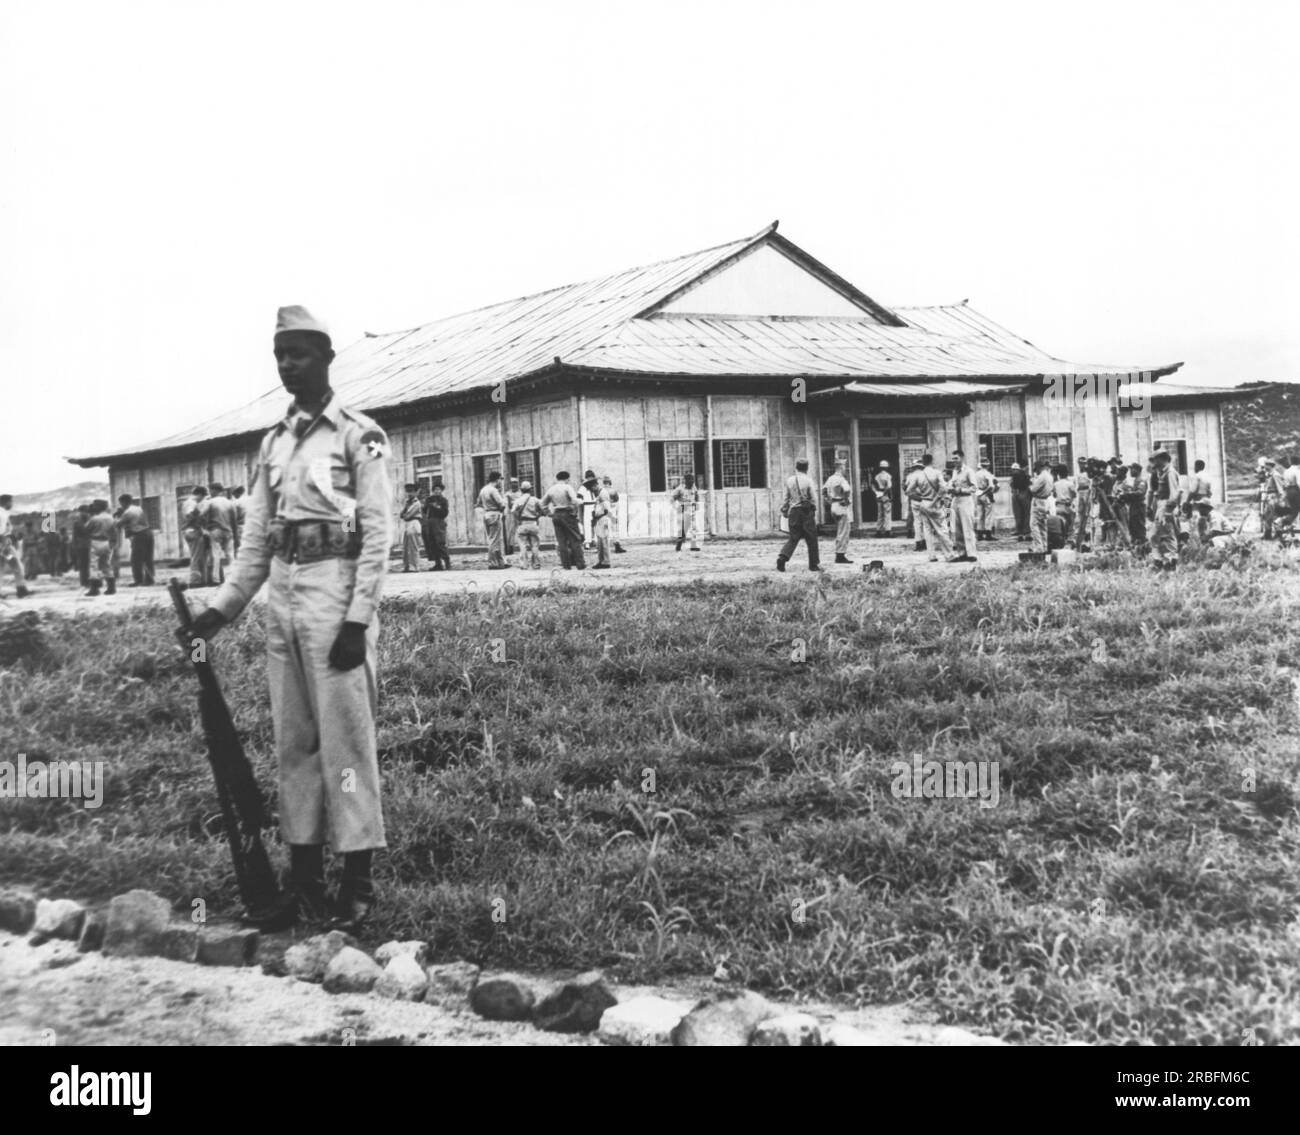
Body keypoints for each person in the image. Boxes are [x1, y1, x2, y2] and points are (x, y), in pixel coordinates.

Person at [183, 305, 392, 932]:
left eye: (298, 353)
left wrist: (358, 620)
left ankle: (357, 877)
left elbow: (377, 534)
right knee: (293, 741)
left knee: (346, 741)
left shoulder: (360, 436)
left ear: (326, 357)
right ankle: (303, 876)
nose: (287, 365)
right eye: (279, 355)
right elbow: (253, 543)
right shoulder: (272, 444)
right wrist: (218, 610)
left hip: (334, 595)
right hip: (283, 596)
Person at [776, 458, 822, 572]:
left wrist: (785, 509)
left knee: (793, 537)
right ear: (807, 468)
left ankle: (783, 557)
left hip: (794, 512)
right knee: (811, 539)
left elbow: (786, 498)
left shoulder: (789, 480)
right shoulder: (808, 480)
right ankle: (813, 564)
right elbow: (814, 498)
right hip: (806, 512)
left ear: (796, 467)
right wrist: (814, 508)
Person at [904, 454, 952, 562]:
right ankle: (949, 554)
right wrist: (937, 498)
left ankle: (931, 555)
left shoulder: (918, 476)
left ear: (923, 462)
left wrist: (920, 498)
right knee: (942, 528)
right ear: (932, 461)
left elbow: (908, 491)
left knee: (927, 530)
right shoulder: (937, 473)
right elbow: (944, 488)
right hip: (935, 503)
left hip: (923, 502)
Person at [1147, 450, 1183, 569]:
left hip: (1166, 505)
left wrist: (1168, 510)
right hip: (1161, 504)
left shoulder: (1170, 473)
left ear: (1163, 459)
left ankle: (1170, 560)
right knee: (1156, 534)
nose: (1155, 462)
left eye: (1156, 459)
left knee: (1167, 534)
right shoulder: (1162, 472)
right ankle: (1161, 560)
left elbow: (1174, 493)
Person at [544, 470, 586, 569]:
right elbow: (574, 500)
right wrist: (582, 501)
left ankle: (566, 565)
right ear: (567, 478)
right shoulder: (567, 487)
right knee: (575, 539)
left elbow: (543, 503)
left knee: (561, 541)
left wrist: (549, 513)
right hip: (567, 514)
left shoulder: (551, 489)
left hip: (556, 514)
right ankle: (580, 564)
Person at [947, 450, 978, 563]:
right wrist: (950, 486)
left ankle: (971, 553)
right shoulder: (955, 472)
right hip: (956, 499)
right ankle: (962, 552)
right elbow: (952, 482)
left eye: (956, 458)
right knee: (957, 528)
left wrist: (960, 489)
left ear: (962, 458)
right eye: (953, 459)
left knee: (967, 526)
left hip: (965, 500)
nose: (954, 461)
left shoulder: (969, 471)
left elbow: (974, 488)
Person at [116, 493, 155, 586]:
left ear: (123, 502)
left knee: (136, 559)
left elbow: (118, 524)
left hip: (139, 535)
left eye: (121, 503)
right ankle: (149, 579)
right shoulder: (138, 508)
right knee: (148, 558)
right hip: (148, 533)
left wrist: (117, 517)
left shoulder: (127, 512)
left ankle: (138, 580)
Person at [823, 459, 854, 564]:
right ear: (841, 467)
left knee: (840, 530)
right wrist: (845, 499)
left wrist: (828, 501)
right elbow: (847, 490)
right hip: (841, 505)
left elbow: (824, 491)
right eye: (844, 466)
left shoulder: (830, 479)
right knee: (844, 531)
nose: (845, 469)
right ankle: (840, 555)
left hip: (834, 505)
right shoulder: (841, 479)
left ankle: (839, 553)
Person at [206, 484, 237, 584]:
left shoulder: (210, 502)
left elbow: (203, 516)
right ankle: (233, 578)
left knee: (216, 555)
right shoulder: (230, 503)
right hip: (228, 531)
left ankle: (216, 579)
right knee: (230, 555)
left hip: (215, 530)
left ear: (214, 490)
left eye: (210, 490)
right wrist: (235, 535)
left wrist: (206, 528)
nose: (209, 492)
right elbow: (234, 520)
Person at [85, 499, 117, 596]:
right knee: (106, 565)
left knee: (94, 565)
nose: (93, 507)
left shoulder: (94, 518)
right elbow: (114, 531)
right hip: (106, 542)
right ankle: (111, 587)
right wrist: (113, 542)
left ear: (99, 507)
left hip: (95, 541)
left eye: (95, 505)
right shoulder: (111, 518)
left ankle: (94, 589)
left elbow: (86, 529)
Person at [477, 471, 509, 569]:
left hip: (486, 514)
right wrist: (502, 509)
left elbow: (478, 503)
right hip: (495, 514)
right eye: (500, 479)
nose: (500, 481)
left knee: (492, 538)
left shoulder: (483, 490)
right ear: (496, 479)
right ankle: (493, 563)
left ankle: (500, 562)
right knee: (495, 540)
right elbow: (502, 504)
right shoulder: (493, 490)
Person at [0, 494, 29, 598]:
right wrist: (6, 546)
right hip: (3, 545)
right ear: (6, 502)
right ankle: (21, 589)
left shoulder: (3, 513)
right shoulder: (2, 514)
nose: (12, 504)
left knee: (1, 568)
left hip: (3, 544)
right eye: (11, 502)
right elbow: (3, 533)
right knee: (17, 565)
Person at [184, 485, 212, 588]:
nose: (203, 499)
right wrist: (200, 528)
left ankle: (200, 580)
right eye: (203, 496)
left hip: (190, 531)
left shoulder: (188, 502)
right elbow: (190, 515)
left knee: (198, 556)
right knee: (196, 557)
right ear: (199, 494)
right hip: (193, 531)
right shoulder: (191, 503)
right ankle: (195, 581)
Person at [512, 480, 545, 569]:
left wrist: (518, 518)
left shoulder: (518, 500)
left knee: (522, 545)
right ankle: (536, 564)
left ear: (521, 490)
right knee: (534, 545)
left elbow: (513, 511)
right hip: (533, 523)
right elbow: (543, 509)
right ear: (530, 489)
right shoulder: (535, 500)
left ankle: (524, 564)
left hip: (522, 524)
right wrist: (538, 515)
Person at [424, 482, 452, 570]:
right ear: (433, 490)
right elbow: (425, 510)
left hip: (439, 522)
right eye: (435, 489)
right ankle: (438, 564)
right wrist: (428, 505)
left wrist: (435, 507)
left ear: (441, 491)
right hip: (430, 522)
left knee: (440, 543)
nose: (437, 491)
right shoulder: (429, 499)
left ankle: (447, 562)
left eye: (439, 489)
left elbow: (445, 513)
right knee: (432, 543)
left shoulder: (443, 500)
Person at [1029, 458, 1054, 554]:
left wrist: (1031, 483)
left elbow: (1033, 489)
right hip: (1046, 500)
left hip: (1038, 500)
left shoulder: (1042, 476)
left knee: (1034, 525)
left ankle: (1039, 547)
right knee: (1043, 525)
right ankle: (1045, 546)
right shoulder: (1050, 476)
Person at [671, 473, 701, 552]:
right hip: (683, 509)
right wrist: (676, 506)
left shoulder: (694, 487)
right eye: (689, 480)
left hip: (691, 509)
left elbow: (697, 495)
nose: (691, 481)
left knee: (693, 528)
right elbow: (672, 498)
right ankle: (678, 546)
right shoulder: (680, 488)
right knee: (683, 529)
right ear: (686, 480)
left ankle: (693, 546)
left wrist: (697, 503)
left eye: (692, 480)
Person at [592, 475, 616, 569]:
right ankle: (601, 560)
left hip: (603, 518)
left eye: (593, 486)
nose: (592, 489)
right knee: (600, 542)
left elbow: (607, 508)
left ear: (596, 485)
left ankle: (606, 561)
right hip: (599, 519)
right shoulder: (598, 493)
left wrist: (611, 519)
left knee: (604, 541)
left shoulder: (603, 493)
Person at [399, 483, 424, 571]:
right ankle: (407, 566)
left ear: (416, 492)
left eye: (412, 492)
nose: (409, 494)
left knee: (413, 546)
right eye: (408, 492)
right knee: (405, 547)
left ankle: (415, 566)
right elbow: (401, 515)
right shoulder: (407, 502)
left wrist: (405, 514)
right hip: (407, 524)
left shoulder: (417, 503)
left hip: (414, 522)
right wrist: (405, 509)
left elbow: (407, 516)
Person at [1051, 464, 1076, 545]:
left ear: (1059, 474)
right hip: (1067, 505)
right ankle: (1070, 538)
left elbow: (1054, 495)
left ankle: (1062, 537)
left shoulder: (1056, 484)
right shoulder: (1070, 484)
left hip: (1058, 505)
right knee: (1071, 522)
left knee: (1060, 523)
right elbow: (1074, 494)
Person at [974, 458, 998, 542]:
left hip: (978, 493)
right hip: (986, 494)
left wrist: (979, 492)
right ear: (988, 465)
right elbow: (991, 486)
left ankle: (980, 534)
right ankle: (988, 533)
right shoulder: (988, 474)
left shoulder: (976, 474)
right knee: (989, 514)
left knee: (980, 514)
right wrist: (984, 492)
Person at [1073, 458, 1092, 550]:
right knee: (1080, 512)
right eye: (1080, 463)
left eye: (1083, 463)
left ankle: (1087, 532)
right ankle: (1080, 531)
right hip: (1080, 492)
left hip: (1087, 491)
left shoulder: (1088, 473)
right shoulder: (1078, 473)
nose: (1082, 465)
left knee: (1087, 512)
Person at [870, 460, 893, 538]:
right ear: (887, 468)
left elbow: (872, 485)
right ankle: (888, 531)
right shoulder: (888, 476)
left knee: (880, 514)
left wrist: (876, 492)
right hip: (885, 495)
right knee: (887, 513)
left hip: (879, 494)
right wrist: (885, 493)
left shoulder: (877, 476)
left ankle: (878, 531)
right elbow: (889, 486)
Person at [1009, 462, 1031, 541]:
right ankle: (1027, 533)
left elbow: (1011, 486)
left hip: (1016, 495)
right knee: (1026, 514)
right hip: (1024, 494)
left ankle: (1020, 533)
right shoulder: (1026, 475)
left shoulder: (1012, 477)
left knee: (1018, 515)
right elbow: (1029, 485)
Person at [71, 504, 92, 587]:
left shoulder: (92, 521)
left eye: (86, 512)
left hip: (91, 545)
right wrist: (74, 546)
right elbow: (74, 536)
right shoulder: (77, 523)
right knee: (83, 564)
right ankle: (84, 581)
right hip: (81, 546)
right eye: (82, 512)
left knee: (90, 564)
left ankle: (90, 580)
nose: (84, 513)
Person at [504, 477, 522, 556]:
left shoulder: (521, 493)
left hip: (520, 513)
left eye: (515, 482)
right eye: (512, 483)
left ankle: (522, 547)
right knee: (510, 531)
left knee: (521, 530)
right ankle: (510, 548)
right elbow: (509, 505)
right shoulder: (507, 494)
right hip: (511, 514)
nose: (514, 484)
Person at [231, 486, 247, 556]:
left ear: (237, 494)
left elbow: (233, 517)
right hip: (248, 525)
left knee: (238, 546)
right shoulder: (249, 500)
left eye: (234, 495)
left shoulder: (236, 502)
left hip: (239, 526)